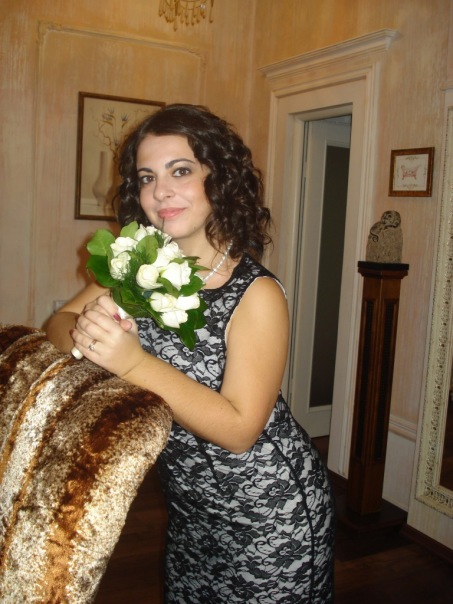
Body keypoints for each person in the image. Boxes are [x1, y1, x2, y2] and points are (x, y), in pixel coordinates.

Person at [46, 104, 335, 603]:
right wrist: (88, 332)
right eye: (147, 177)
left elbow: (240, 430)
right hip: (189, 512)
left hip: (268, 514)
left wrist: (132, 362)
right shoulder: (140, 267)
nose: (160, 191)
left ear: (218, 179)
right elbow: (58, 324)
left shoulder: (257, 294)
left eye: (180, 171)